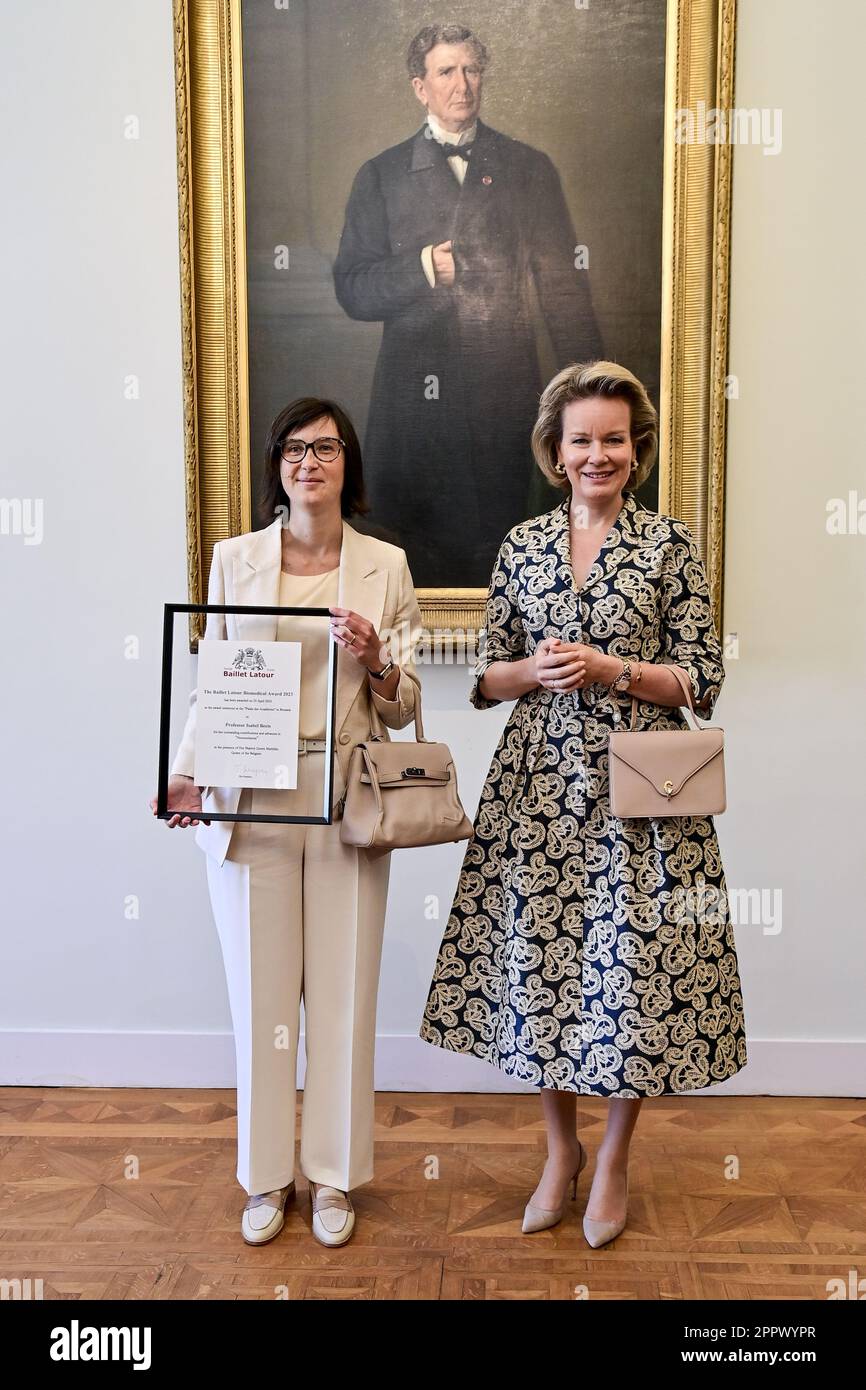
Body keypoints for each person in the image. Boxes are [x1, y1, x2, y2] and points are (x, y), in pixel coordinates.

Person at [419, 360, 748, 1246]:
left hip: (642, 794)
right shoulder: (521, 546)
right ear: (555, 452)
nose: (597, 454)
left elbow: (705, 678)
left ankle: (613, 1158)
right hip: (537, 793)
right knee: (541, 970)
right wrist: (533, 670)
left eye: (614, 439)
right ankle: (559, 1149)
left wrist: (616, 671)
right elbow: (484, 676)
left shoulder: (672, 545)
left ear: (635, 452)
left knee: (634, 980)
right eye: (581, 440)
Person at [152, 398, 423, 1248]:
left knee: (342, 996)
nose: (311, 461)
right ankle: (267, 1179)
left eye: (328, 447)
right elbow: (213, 677)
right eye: (296, 447)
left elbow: (409, 699)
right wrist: (188, 771)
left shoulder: (386, 564)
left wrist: (376, 658)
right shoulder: (234, 560)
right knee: (260, 998)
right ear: (277, 463)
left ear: (349, 463)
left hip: (347, 799)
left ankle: (335, 1179)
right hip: (251, 799)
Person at [333, 22, 603, 586]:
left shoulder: (528, 168)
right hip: (413, 407)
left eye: (472, 70)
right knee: (408, 561)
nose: (462, 85)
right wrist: (424, 267)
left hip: (502, 398)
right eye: (446, 72)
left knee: (507, 552)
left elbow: (563, 292)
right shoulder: (380, 176)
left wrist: (590, 394)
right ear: (420, 87)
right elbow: (354, 288)